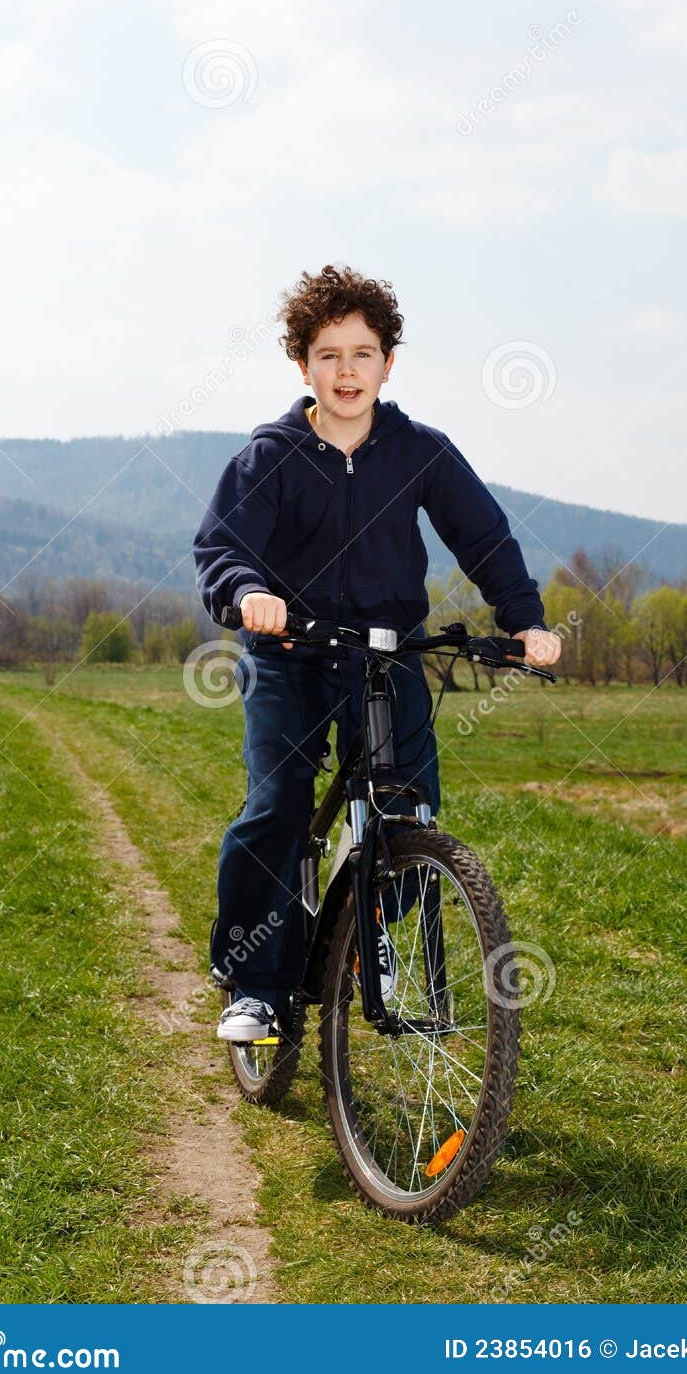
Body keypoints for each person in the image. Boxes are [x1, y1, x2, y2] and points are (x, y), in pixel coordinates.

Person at [193, 265, 561, 1043]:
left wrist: (524, 622)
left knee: (406, 806)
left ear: (387, 362)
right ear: (303, 366)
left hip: (388, 654)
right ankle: (254, 984)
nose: (346, 370)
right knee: (279, 805)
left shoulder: (419, 452)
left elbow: (483, 538)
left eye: (362, 353)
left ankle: (371, 938)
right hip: (290, 652)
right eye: (328, 355)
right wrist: (248, 595)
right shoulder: (272, 455)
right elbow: (223, 548)